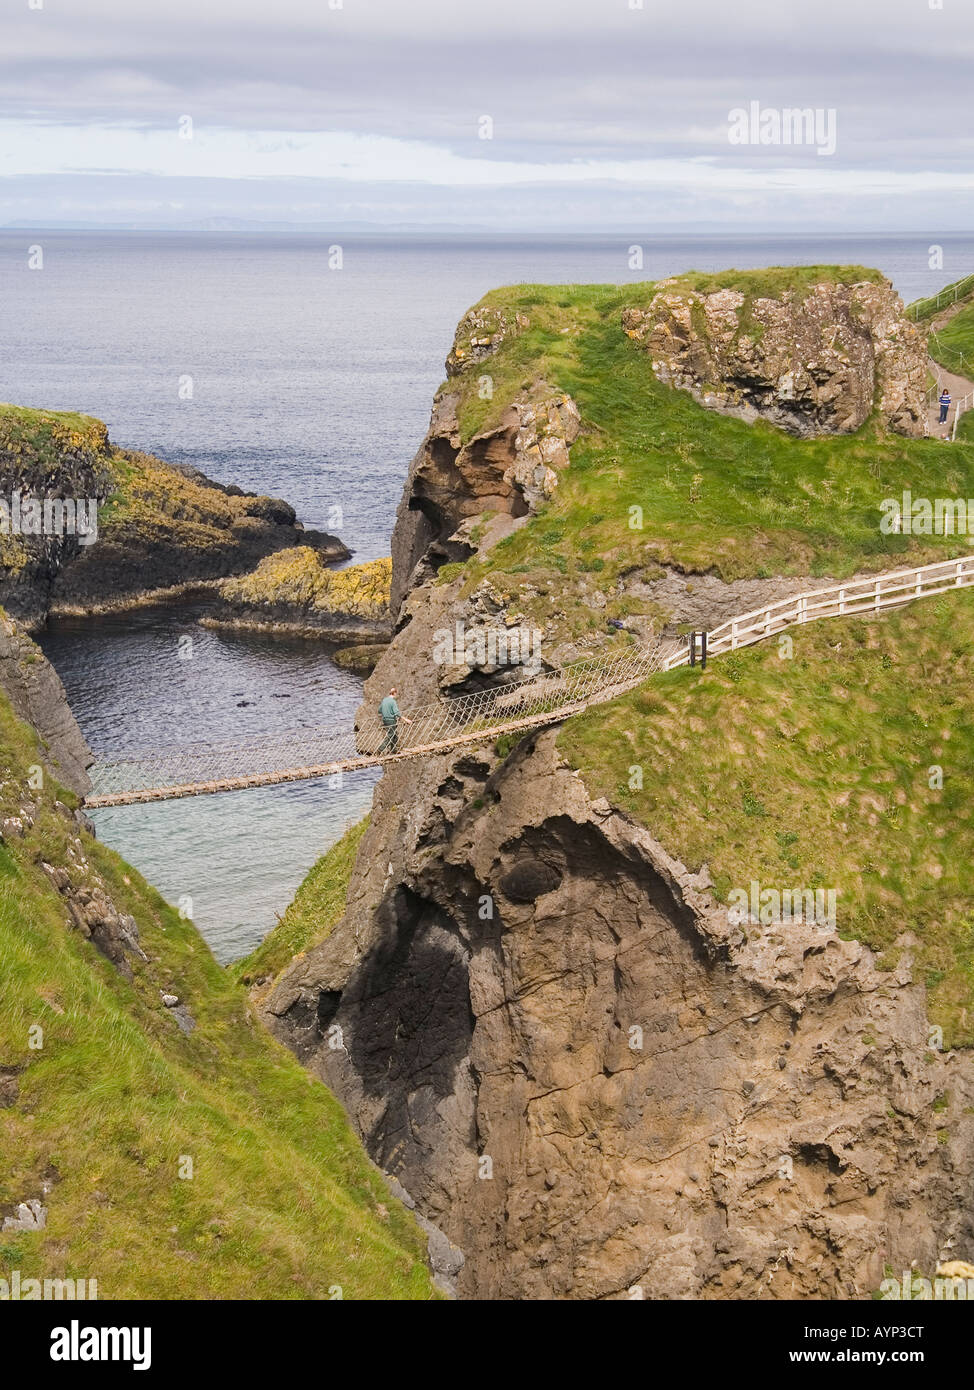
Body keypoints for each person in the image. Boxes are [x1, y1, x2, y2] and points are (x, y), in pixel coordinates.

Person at [378, 687, 411, 753]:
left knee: (395, 735)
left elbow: (379, 710)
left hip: (385, 720)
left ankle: (393, 751)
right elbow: (396, 713)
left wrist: (386, 712)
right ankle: (380, 749)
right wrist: (406, 720)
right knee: (391, 735)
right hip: (391, 720)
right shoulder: (393, 701)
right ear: (395, 693)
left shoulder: (384, 700)